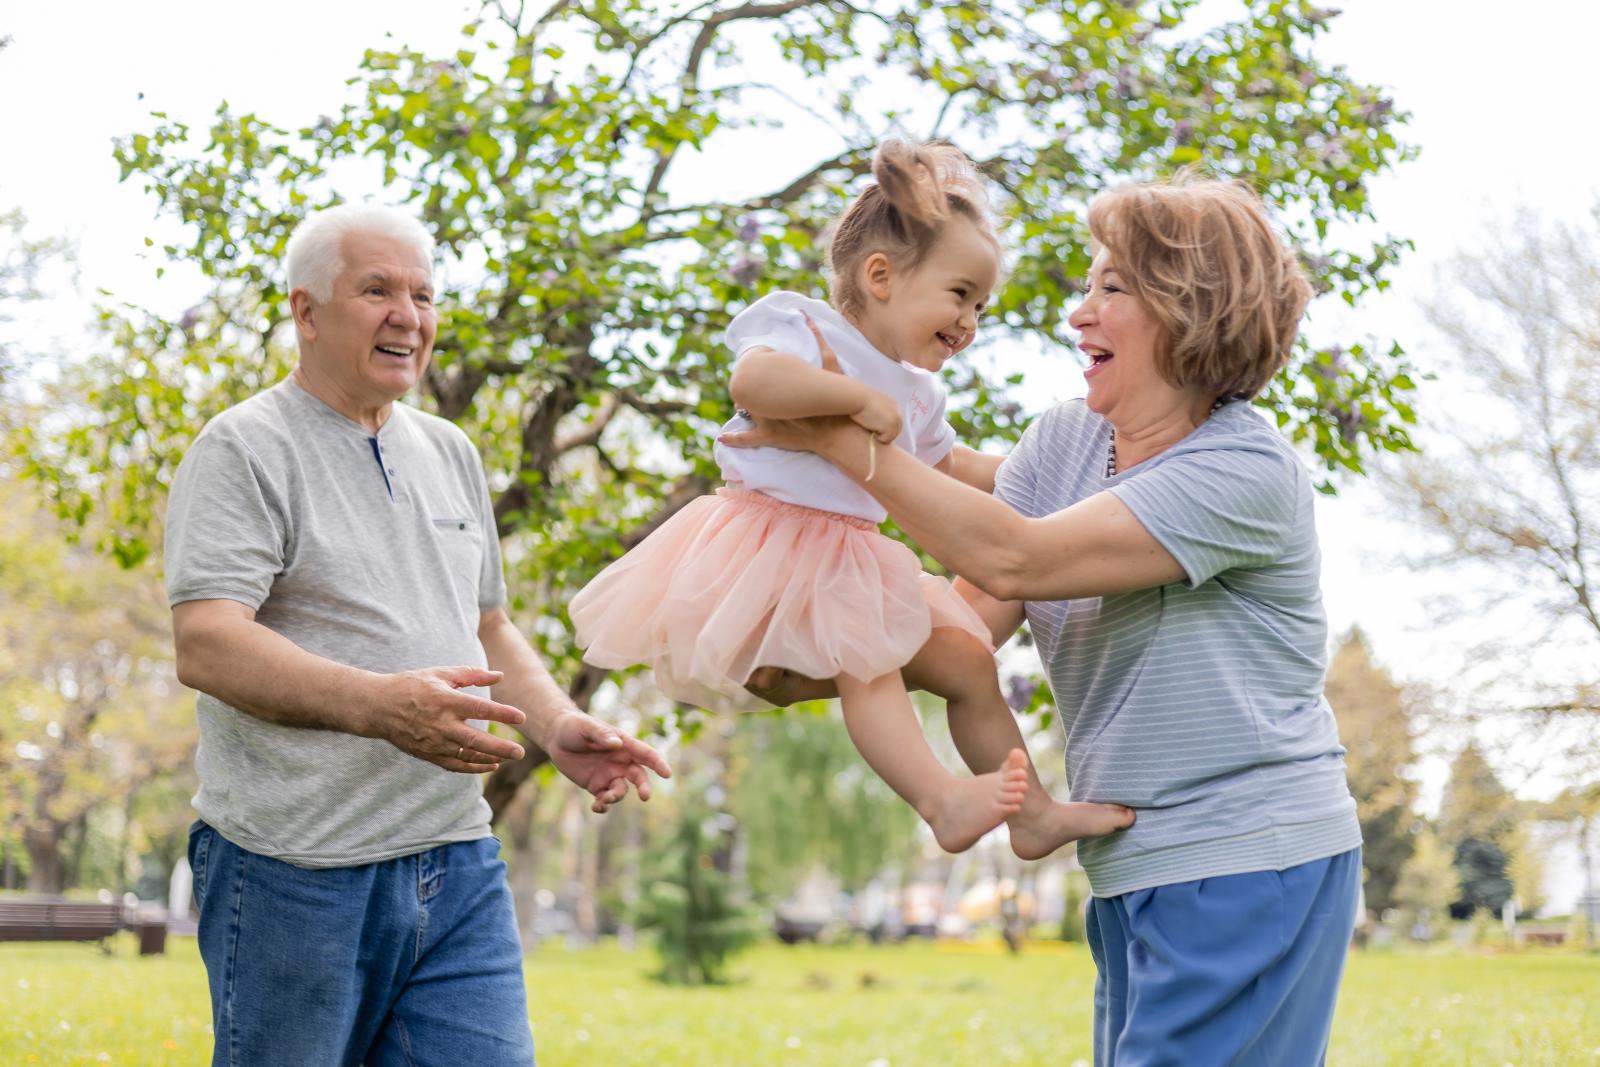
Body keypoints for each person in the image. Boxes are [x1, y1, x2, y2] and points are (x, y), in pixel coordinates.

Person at [726, 173, 1363, 1065]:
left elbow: (1015, 557)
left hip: (1246, 856)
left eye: (1111, 287)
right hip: (1132, 865)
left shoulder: (1243, 470)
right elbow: (965, 620)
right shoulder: (1063, 442)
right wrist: (821, 656)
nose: (1077, 314)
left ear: (1194, 312)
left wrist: (838, 437)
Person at [164, 202, 671, 1067]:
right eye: (377, 290)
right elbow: (207, 640)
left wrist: (556, 729)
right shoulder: (244, 447)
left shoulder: (450, 451)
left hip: (455, 862)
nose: (409, 315)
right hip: (294, 868)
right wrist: (377, 706)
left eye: (424, 295)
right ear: (306, 311)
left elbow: (486, 625)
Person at [569, 140, 1132, 856]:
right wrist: (852, 397)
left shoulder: (920, 392)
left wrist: (1064, 476)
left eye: (983, 307)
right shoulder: (807, 329)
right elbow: (754, 387)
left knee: (968, 661)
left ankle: (1034, 815)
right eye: (961, 295)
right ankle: (940, 799)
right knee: (870, 667)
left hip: (847, 554)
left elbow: (950, 465)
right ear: (880, 275)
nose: (971, 322)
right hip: (770, 546)